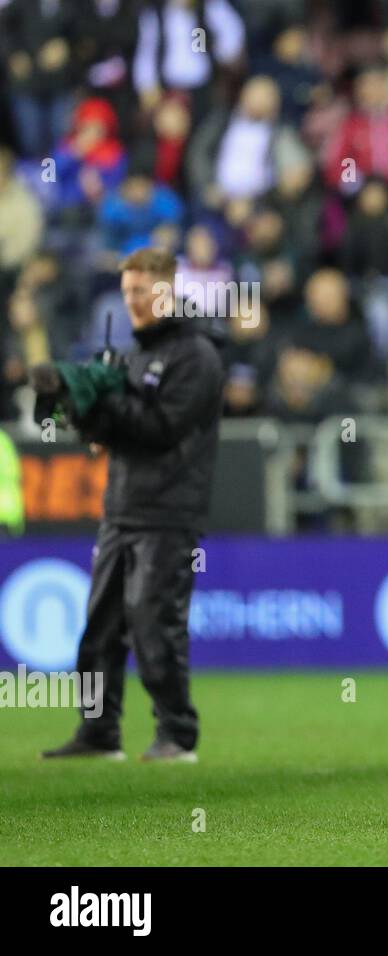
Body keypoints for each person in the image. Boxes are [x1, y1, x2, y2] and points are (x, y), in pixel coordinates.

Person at [40, 248, 225, 763]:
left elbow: (162, 428)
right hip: (121, 508)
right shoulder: (137, 353)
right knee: (100, 626)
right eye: (127, 294)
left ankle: (177, 734)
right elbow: (119, 434)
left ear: (168, 289)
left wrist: (104, 401)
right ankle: (99, 733)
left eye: (141, 292)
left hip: (169, 512)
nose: (133, 303)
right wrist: (82, 409)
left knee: (152, 621)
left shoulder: (197, 355)